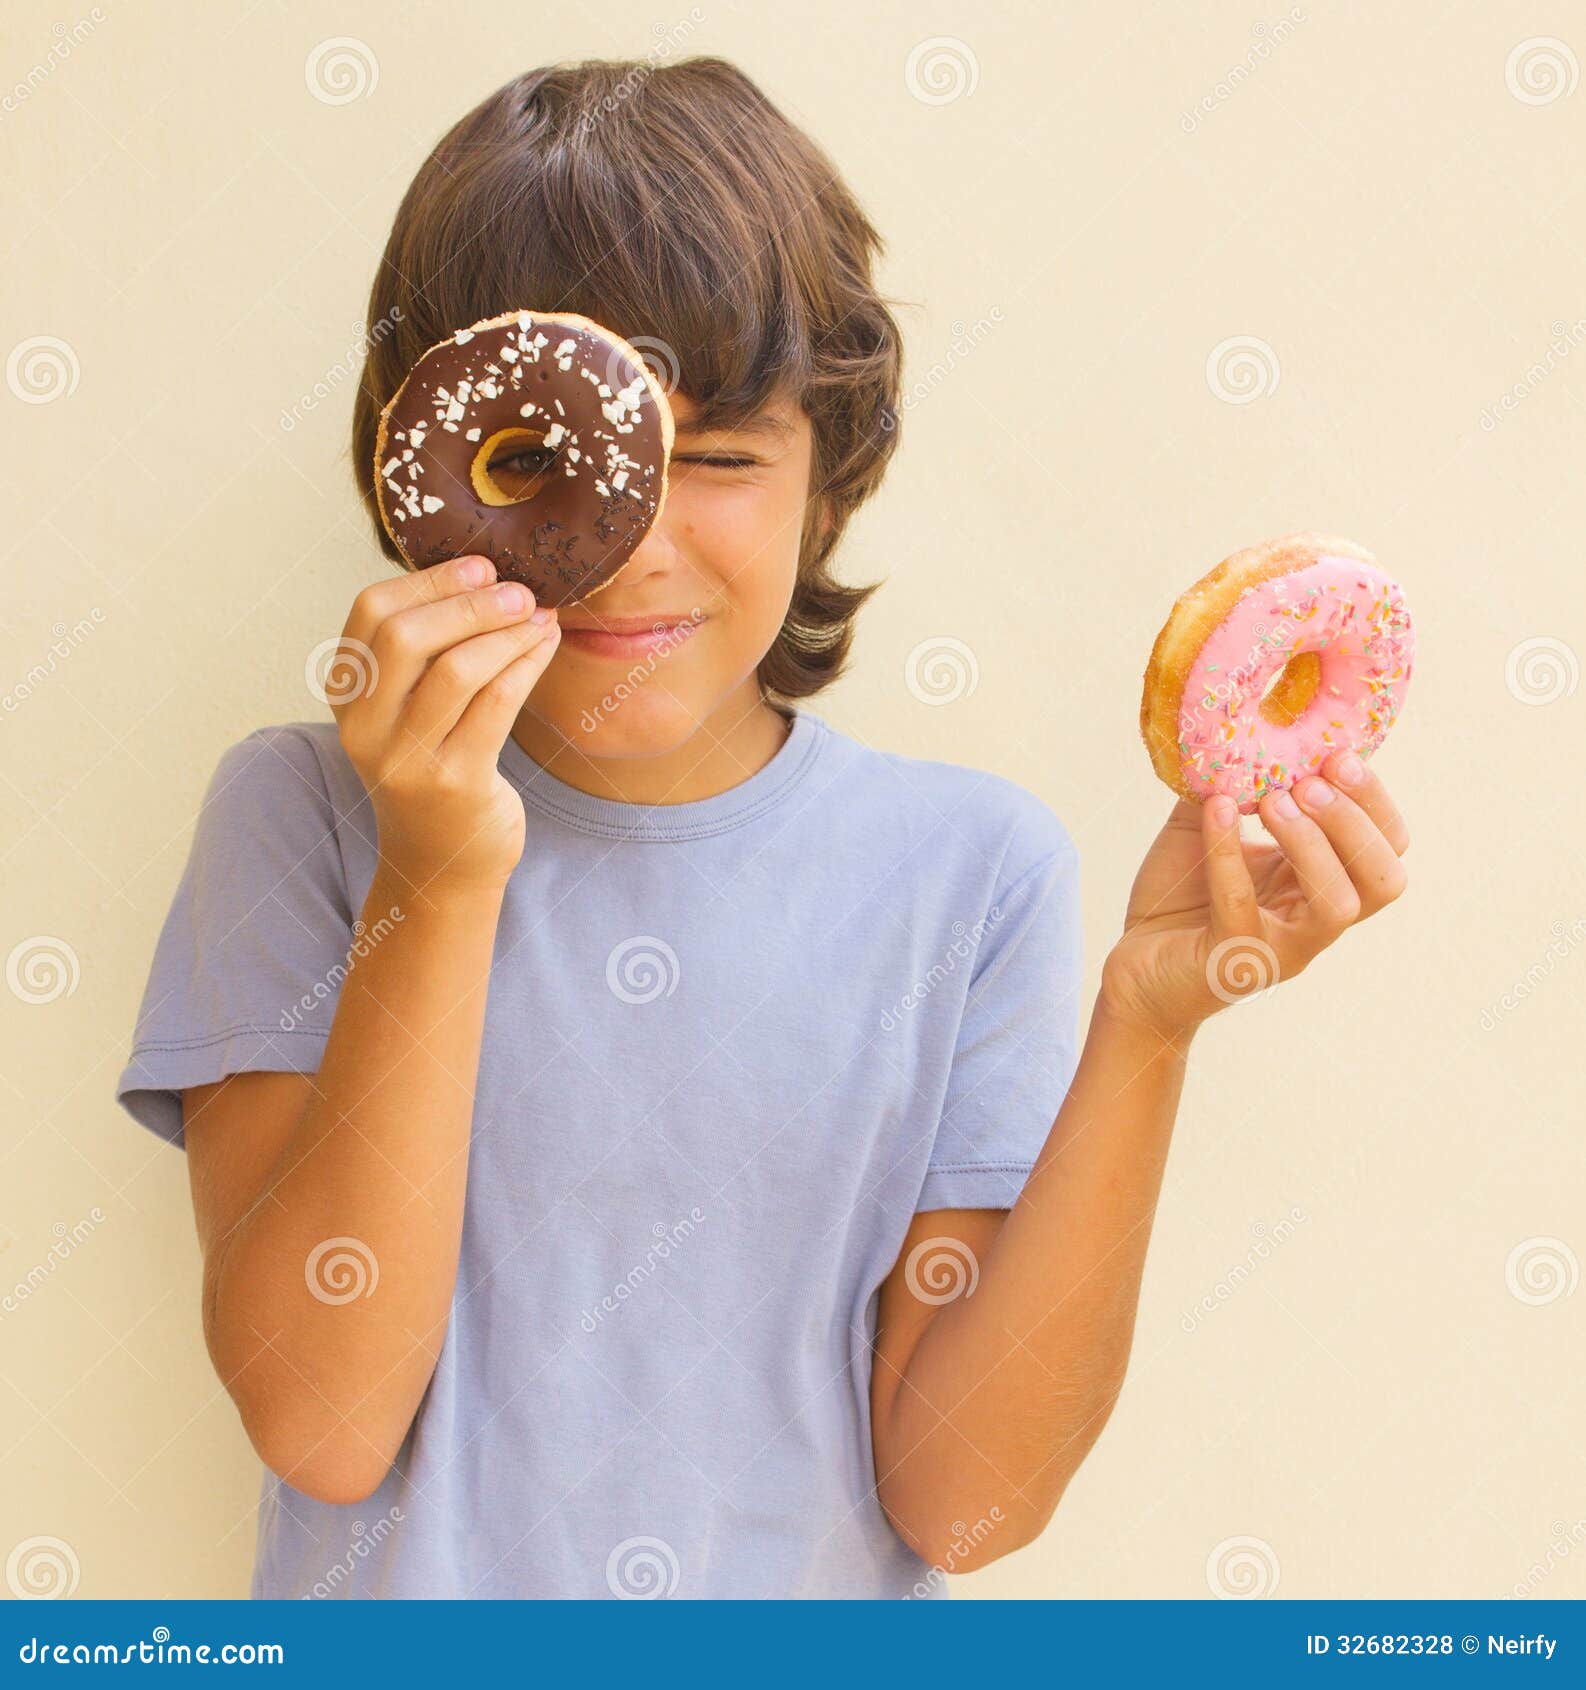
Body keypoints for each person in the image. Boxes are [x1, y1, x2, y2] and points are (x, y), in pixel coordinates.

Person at [115, 56, 1409, 1599]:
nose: (628, 546)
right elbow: (322, 1421)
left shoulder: (970, 873)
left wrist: (1143, 1026)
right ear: (425, 468)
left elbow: (964, 1507)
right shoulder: (304, 814)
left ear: (829, 483)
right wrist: (437, 871)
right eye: (543, 464)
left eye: (718, 457)